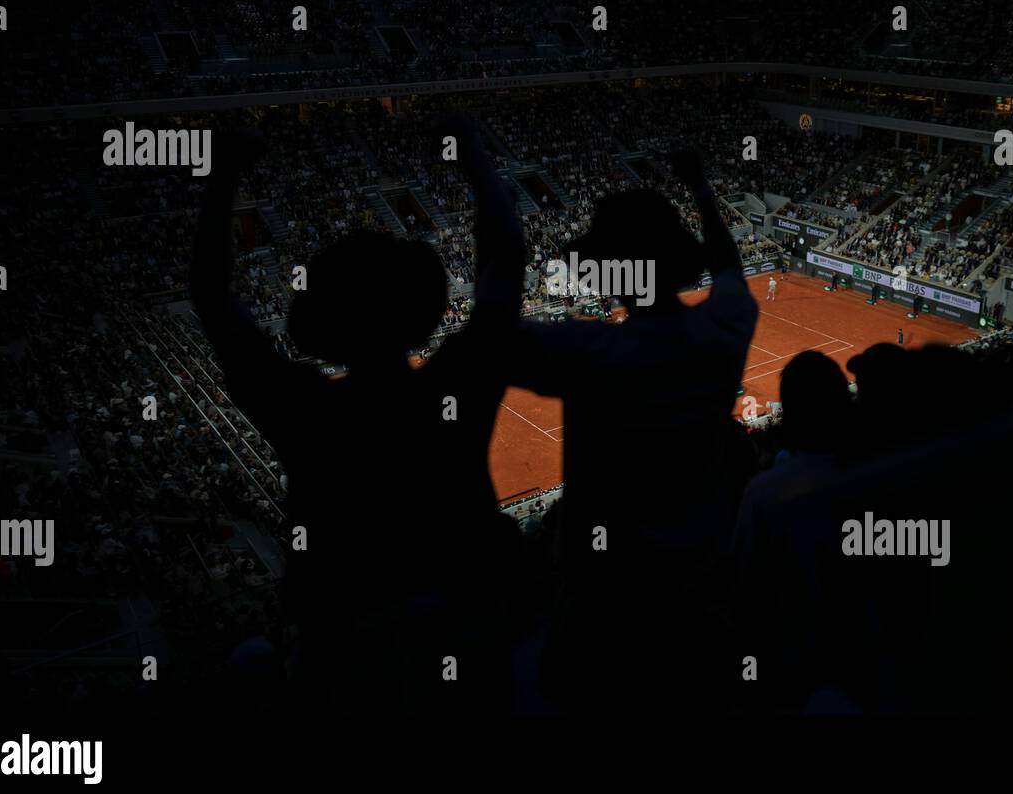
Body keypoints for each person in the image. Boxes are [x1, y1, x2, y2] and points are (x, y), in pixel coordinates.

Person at [189, 117, 525, 713]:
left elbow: (213, 300)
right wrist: (473, 151)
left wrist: (223, 175)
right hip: (469, 641)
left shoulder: (305, 411)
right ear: (426, 308)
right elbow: (503, 257)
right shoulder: (456, 388)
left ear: (319, 325)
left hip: (345, 663)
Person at [506, 148, 758, 710]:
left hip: (604, 611)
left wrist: (492, 195)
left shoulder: (586, 351)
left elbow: (494, 326)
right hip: (702, 600)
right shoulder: (725, 330)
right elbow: (729, 270)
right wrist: (700, 189)